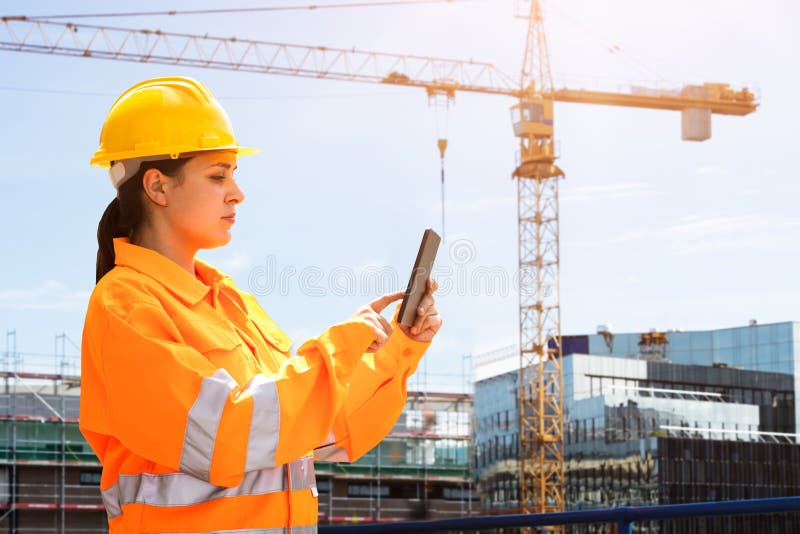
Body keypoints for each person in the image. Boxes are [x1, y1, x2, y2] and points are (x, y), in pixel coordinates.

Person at [79, 76, 442, 533]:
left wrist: (399, 347)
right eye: (218, 176)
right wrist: (340, 346)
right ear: (158, 187)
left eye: (234, 174)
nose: (237, 192)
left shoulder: (233, 304)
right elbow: (225, 436)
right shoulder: (124, 306)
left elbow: (319, 430)